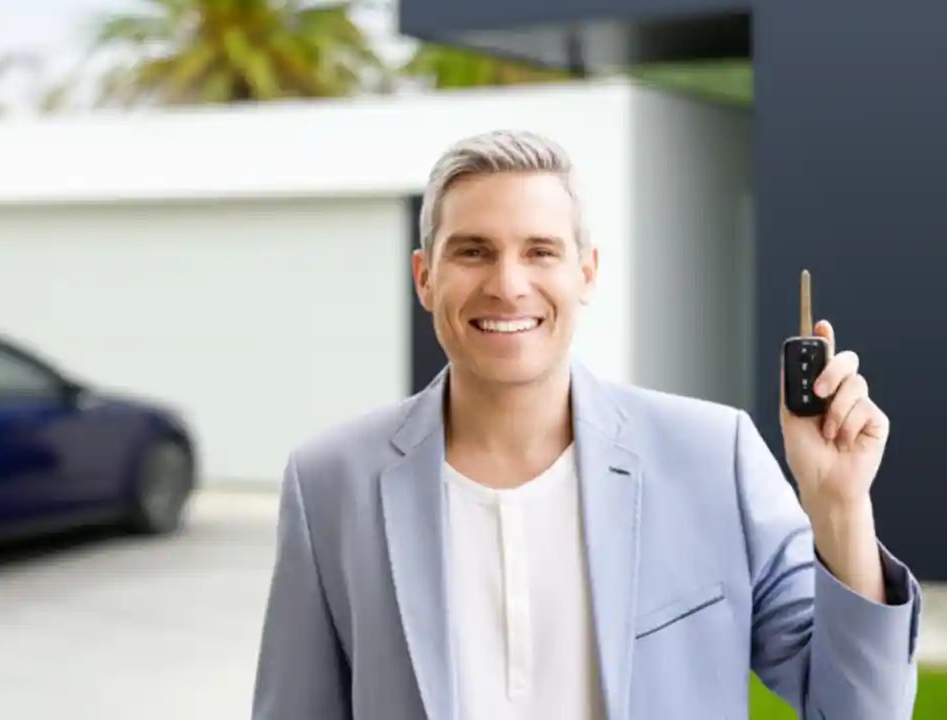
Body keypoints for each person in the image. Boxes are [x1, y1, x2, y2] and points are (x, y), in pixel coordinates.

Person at [251, 129, 922, 719]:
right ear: (425, 278)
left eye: (540, 251)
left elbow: (858, 712)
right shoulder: (330, 483)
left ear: (587, 273)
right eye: (473, 252)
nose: (508, 285)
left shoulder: (715, 457)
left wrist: (840, 511)